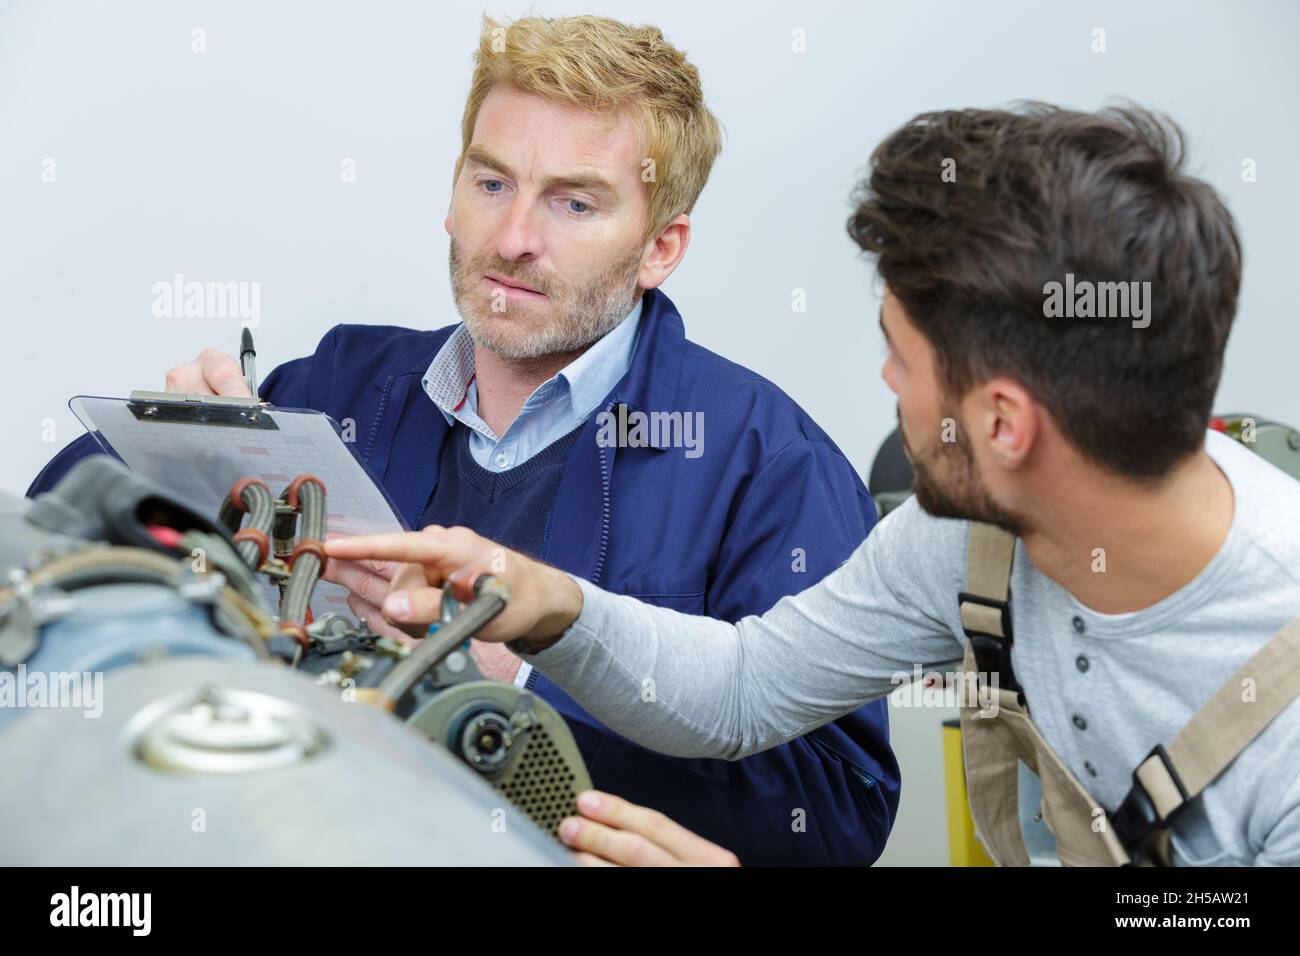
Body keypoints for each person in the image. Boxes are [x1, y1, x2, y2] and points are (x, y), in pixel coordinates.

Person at [327, 104, 1300, 867]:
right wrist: (549, 606)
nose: (885, 385)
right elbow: (748, 686)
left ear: (1002, 423)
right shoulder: (969, 537)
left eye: (900, 357)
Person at [28, 14, 899, 866]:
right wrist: (174, 460)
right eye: (491, 184)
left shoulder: (770, 464)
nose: (513, 240)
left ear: (659, 247)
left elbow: (833, 812)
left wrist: (508, 683)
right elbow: (47, 546)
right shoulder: (332, 388)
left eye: (573, 202)